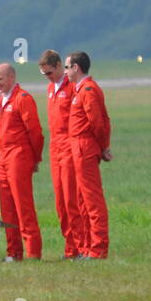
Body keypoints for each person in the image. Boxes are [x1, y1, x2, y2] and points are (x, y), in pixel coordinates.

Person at [0, 63, 44, 261]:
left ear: (11, 77)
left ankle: (32, 252)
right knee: (7, 208)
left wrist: (34, 158)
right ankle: (13, 252)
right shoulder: (0, 101)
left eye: (0, 79)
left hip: (19, 156)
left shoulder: (23, 99)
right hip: (3, 158)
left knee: (23, 206)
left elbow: (36, 133)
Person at [39, 49, 86, 259]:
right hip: (54, 148)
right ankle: (70, 248)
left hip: (69, 145)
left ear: (59, 66)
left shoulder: (73, 87)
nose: (47, 77)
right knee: (60, 202)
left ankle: (83, 246)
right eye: (44, 74)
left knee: (71, 200)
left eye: (49, 72)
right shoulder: (50, 88)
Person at [65, 51, 112, 259]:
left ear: (76, 67)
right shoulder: (79, 89)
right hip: (77, 147)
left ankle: (99, 248)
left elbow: (98, 123)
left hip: (85, 147)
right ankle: (87, 247)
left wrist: (103, 147)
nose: (65, 72)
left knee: (92, 201)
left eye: (67, 67)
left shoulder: (88, 90)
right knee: (82, 200)